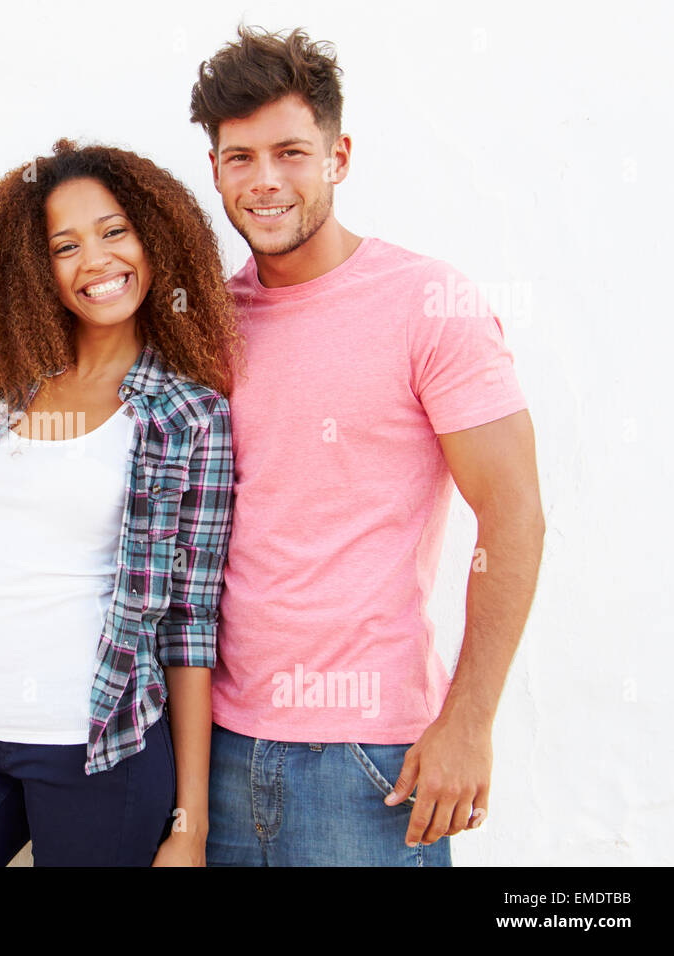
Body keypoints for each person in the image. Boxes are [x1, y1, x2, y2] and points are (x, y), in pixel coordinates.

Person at [189, 26, 545, 866]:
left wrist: (469, 720)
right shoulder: (209, 322)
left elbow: (514, 514)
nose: (265, 180)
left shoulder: (428, 304)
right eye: (241, 158)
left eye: (290, 152)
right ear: (216, 170)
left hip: (370, 759)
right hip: (220, 747)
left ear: (337, 156)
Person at [0, 140, 240, 867]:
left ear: (154, 241)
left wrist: (189, 823)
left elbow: (190, 626)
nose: (95, 259)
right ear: (38, 272)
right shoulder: (2, 396)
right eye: (65, 246)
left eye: (114, 231)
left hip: (102, 749)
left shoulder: (190, 416)